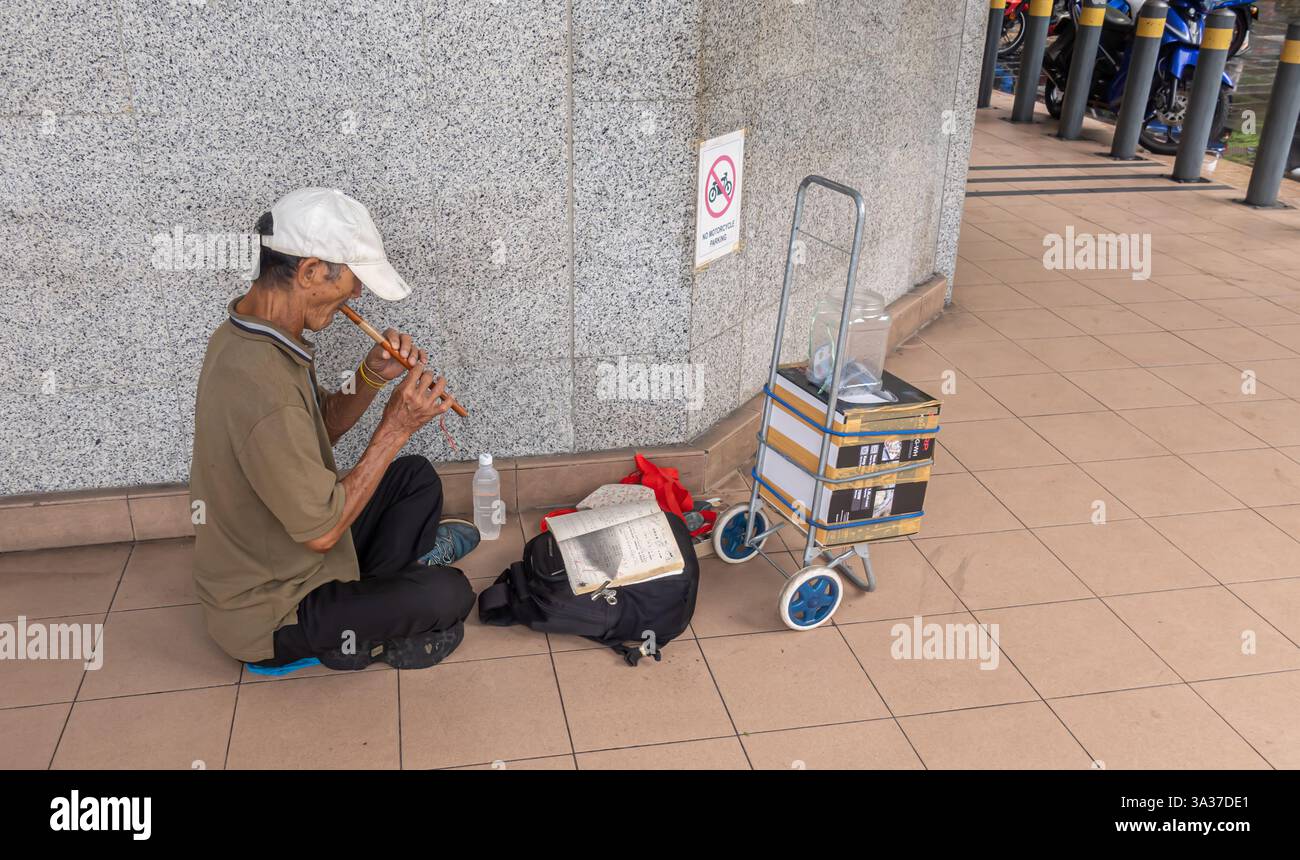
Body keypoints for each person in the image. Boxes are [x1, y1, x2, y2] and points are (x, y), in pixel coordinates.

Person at [189, 188, 479, 673]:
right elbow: (323, 532)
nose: (358, 296)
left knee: (415, 479)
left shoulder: (252, 331)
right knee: (450, 593)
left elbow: (317, 426)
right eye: (352, 280)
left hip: (297, 550)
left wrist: (369, 376)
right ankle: (378, 617)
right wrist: (395, 426)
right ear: (308, 272)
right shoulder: (260, 384)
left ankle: (384, 593)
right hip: (271, 609)